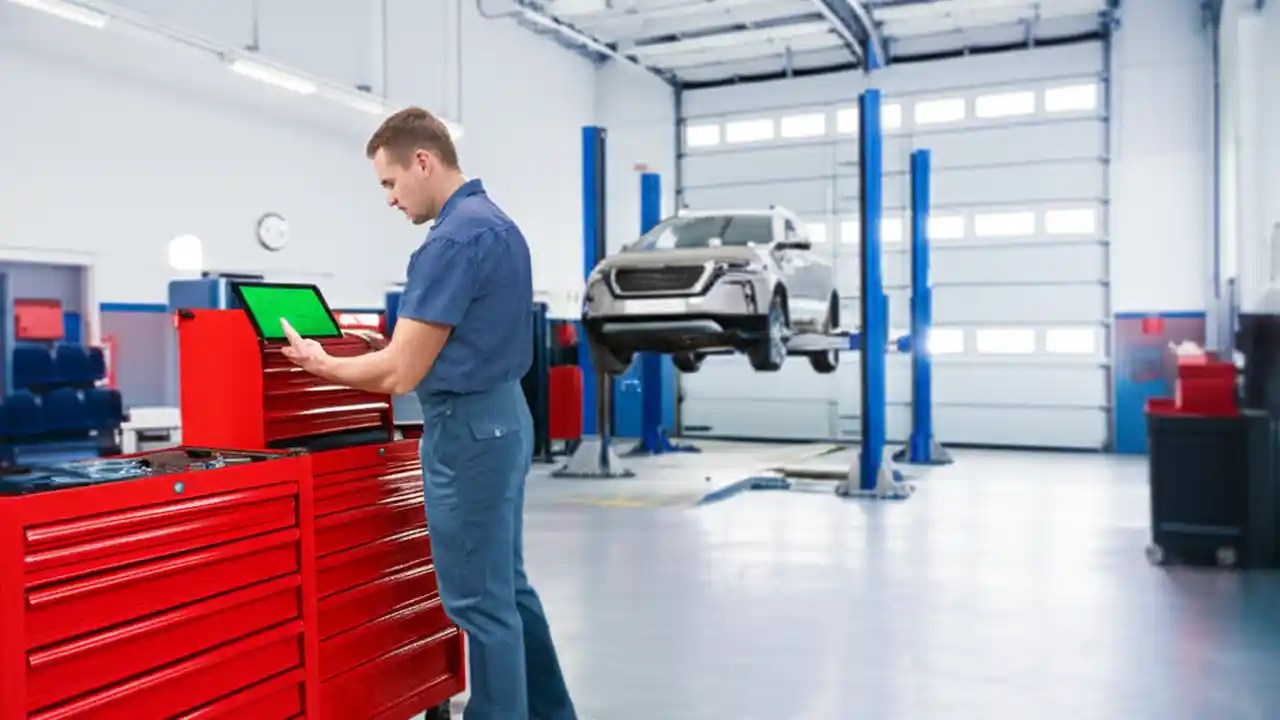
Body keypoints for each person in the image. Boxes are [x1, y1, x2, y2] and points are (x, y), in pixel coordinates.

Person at [279, 107, 578, 720]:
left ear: (423, 161)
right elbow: (446, 340)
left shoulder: (451, 239)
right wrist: (382, 349)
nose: (389, 199)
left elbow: (400, 374)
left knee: (478, 601)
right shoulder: (498, 225)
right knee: (508, 589)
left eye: (389, 182)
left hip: (467, 432)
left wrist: (320, 363)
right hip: (504, 417)